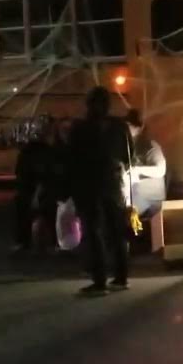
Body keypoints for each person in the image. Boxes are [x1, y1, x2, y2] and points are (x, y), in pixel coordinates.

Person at [68, 87, 132, 295]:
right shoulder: (120, 126)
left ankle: (100, 281)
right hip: (114, 183)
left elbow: (73, 159)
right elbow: (128, 156)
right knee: (116, 230)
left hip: (90, 184)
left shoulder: (80, 128)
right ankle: (121, 277)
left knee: (93, 231)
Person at [11, 116, 55, 253]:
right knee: (22, 204)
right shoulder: (27, 152)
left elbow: (46, 176)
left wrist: (38, 193)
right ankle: (23, 241)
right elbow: (21, 173)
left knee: (48, 206)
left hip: (44, 189)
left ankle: (51, 241)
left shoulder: (48, 151)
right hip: (29, 189)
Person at [124, 109, 166, 219]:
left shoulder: (150, 146)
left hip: (151, 198)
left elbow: (160, 170)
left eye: (129, 126)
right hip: (136, 195)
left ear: (139, 128)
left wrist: (137, 170)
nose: (126, 130)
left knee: (124, 213)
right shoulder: (130, 147)